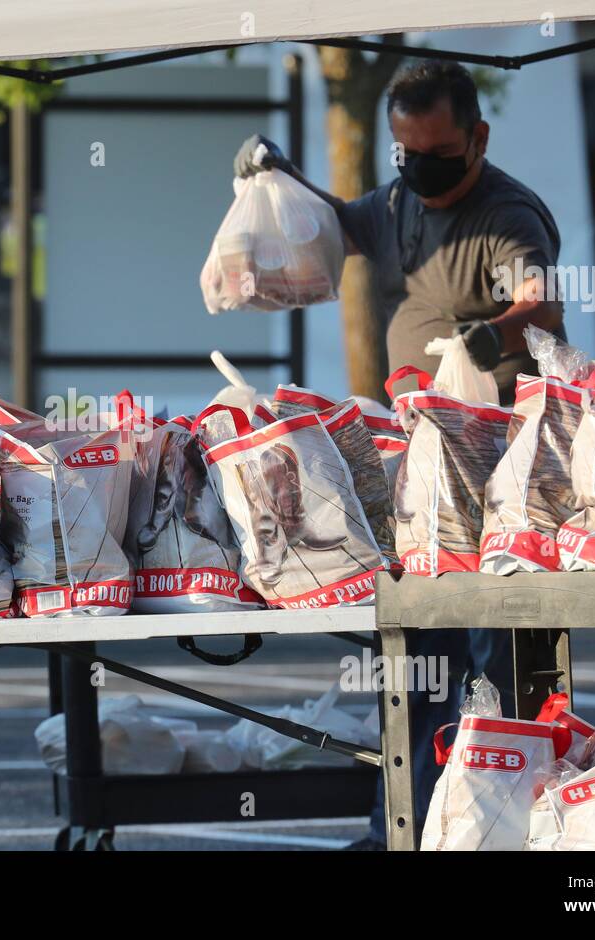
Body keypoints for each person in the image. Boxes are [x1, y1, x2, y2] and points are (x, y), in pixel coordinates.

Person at [236, 60, 564, 847]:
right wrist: (275, 175)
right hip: (417, 479)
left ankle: (497, 825)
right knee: (420, 661)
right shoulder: (394, 205)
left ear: (477, 139)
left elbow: (540, 299)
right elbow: (335, 224)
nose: (423, 169)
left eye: (438, 153)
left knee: (492, 666)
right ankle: (410, 827)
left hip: (496, 486)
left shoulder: (506, 214)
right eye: (406, 153)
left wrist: (496, 333)